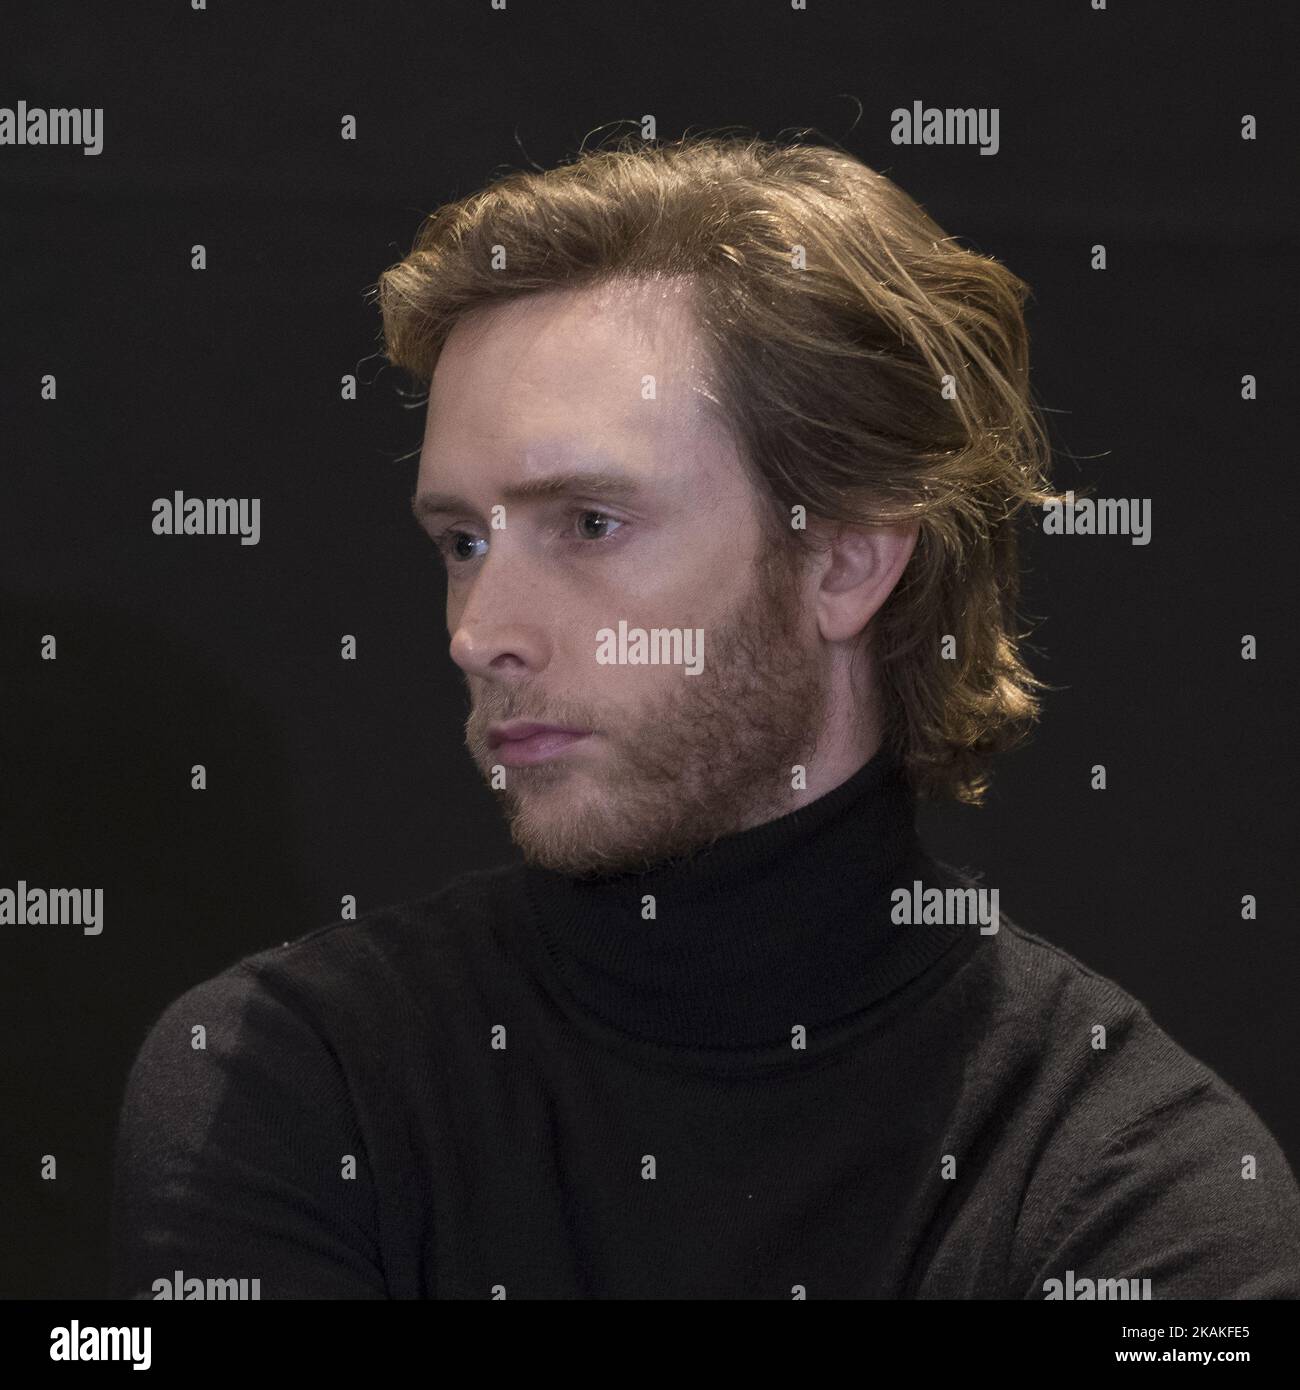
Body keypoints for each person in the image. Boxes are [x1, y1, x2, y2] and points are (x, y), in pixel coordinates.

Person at [109, 134, 1300, 1299]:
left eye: (587, 523)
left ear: (843, 560)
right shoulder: (286, 1080)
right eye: (462, 542)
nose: (479, 631)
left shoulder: (1133, 1192)